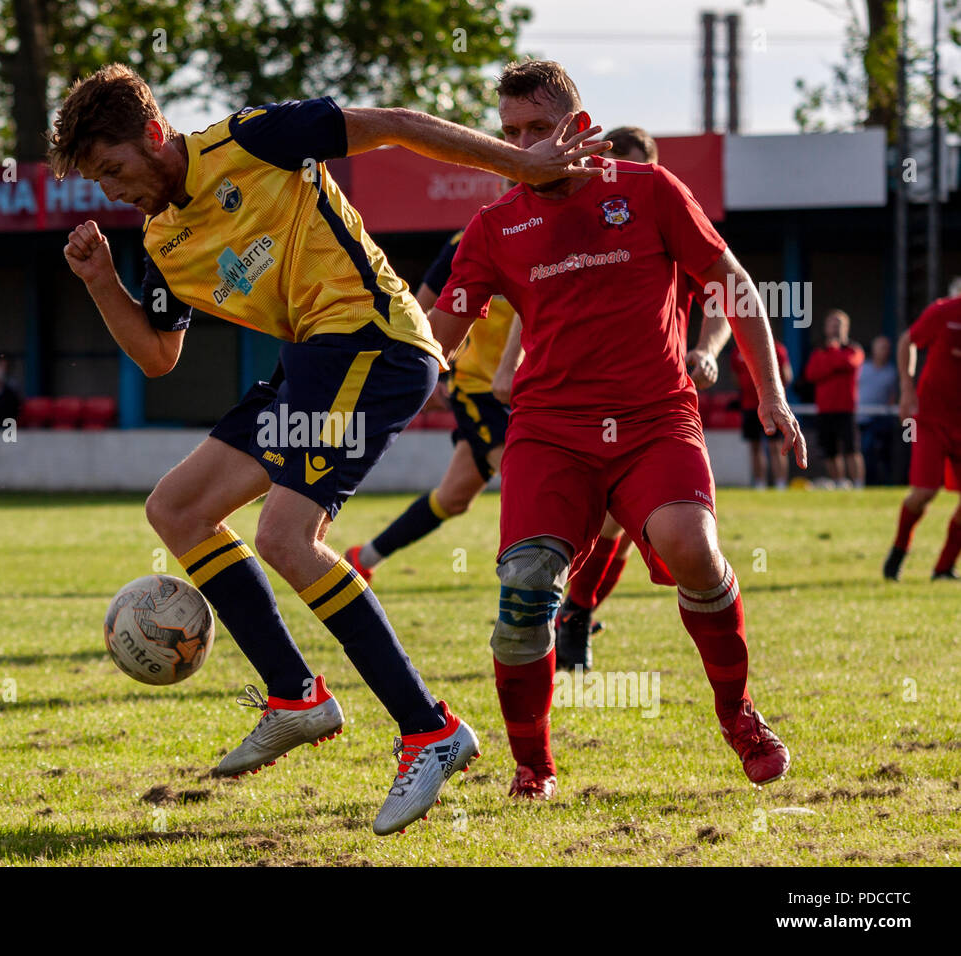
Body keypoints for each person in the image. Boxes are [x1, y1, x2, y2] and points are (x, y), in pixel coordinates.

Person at [48, 64, 611, 834]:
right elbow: (157, 357)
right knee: (177, 509)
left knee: (285, 535)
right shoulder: (160, 240)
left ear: (153, 134)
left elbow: (399, 123)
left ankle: (431, 730)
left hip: (373, 343)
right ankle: (294, 695)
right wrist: (101, 282)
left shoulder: (251, 140)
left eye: (113, 169)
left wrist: (524, 164)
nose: (112, 190)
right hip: (309, 364)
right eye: (97, 181)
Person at [426, 59, 805, 799]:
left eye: (539, 128)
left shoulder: (649, 191)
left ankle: (739, 716)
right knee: (524, 589)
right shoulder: (494, 226)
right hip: (549, 432)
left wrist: (774, 397)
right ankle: (533, 765)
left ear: (579, 127)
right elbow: (440, 333)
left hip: (653, 419)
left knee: (691, 550)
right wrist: (385, 356)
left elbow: (733, 286)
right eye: (510, 134)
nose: (525, 146)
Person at [553, 125, 730, 670]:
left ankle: (574, 618)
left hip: (658, 397)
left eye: (626, 173)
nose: (614, 190)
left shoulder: (666, 213)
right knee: (610, 527)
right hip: (588, 400)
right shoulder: (581, 225)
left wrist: (707, 350)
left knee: (630, 531)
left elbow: (723, 292)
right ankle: (567, 618)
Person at [344, 230, 522, 582]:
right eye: (509, 178)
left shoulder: (549, 236)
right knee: (527, 487)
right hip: (480, 391)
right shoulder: (468, 242)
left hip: (528, 389)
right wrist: (425, 375)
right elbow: (420, 311)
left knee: (453, 498)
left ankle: (362, 558)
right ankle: (539, 609)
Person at [884, 287, 961, 581]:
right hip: (931, 419)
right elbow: (907, 341)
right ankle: (898, 553)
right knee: (924, 493)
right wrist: (907, 388)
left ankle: (944, 569)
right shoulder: (944, 311)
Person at [805, 309, 864, 488]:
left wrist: (830, 359)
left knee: (851, 449)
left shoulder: (853, 349)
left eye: (838, 324)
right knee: (830, 451)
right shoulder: (819, 350)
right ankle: (839, 483)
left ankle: (858, 484)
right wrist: (833, 362)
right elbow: (811, 373)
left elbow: (848, 363)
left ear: (846, 327)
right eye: (831, 324)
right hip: (825, 409)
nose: (835, 328)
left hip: (846, 408)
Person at [731, 339, 794, 489]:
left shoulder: (777, 348)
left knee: (776, 445)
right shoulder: (737, 351)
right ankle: (759, 483)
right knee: (755, 446)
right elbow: (736, 378)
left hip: (772, 405)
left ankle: (781, 484)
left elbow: (787, 375)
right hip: (749, 406)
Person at [858, 335, 899, 486]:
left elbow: (892, 396)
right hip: (861, 419)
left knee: (884, 454)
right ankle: (866, 483)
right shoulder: (862, 368)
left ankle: (886, 482)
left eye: (887, 348)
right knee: (865, 452)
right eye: (881, 347)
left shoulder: (891, 372)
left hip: (881, 420)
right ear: (874, 349)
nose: (885, 351)